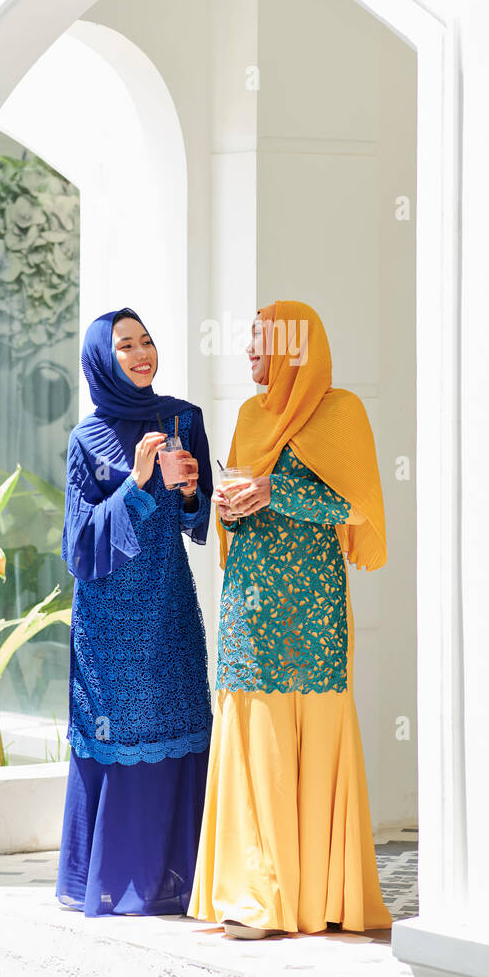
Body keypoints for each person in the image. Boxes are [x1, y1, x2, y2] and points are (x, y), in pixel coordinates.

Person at [189, 298, 392, 938]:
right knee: (253, 730)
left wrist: (280, 489)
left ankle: (318, 897)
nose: (248, 354)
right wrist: (228, 499)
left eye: (259, 343)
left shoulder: (342, 413)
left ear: (293, 346)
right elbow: (236, 499)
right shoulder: (250, 416)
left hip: (314, 608)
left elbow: (357, 507)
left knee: (314, 728)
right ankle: (253, 895)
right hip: (250, 601)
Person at [55, 307, 213, 916]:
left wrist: (192, 493)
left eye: (147, 342)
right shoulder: (85, 441)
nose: (142, 354)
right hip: (108, 619)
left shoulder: (183, 419)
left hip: (169, 606)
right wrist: (138, 481)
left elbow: (195, 525)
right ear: (103, 358)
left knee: (176, 727)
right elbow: (79, 544)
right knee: (117, 738)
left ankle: (180, 880)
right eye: (126, 346)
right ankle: (114, 882)